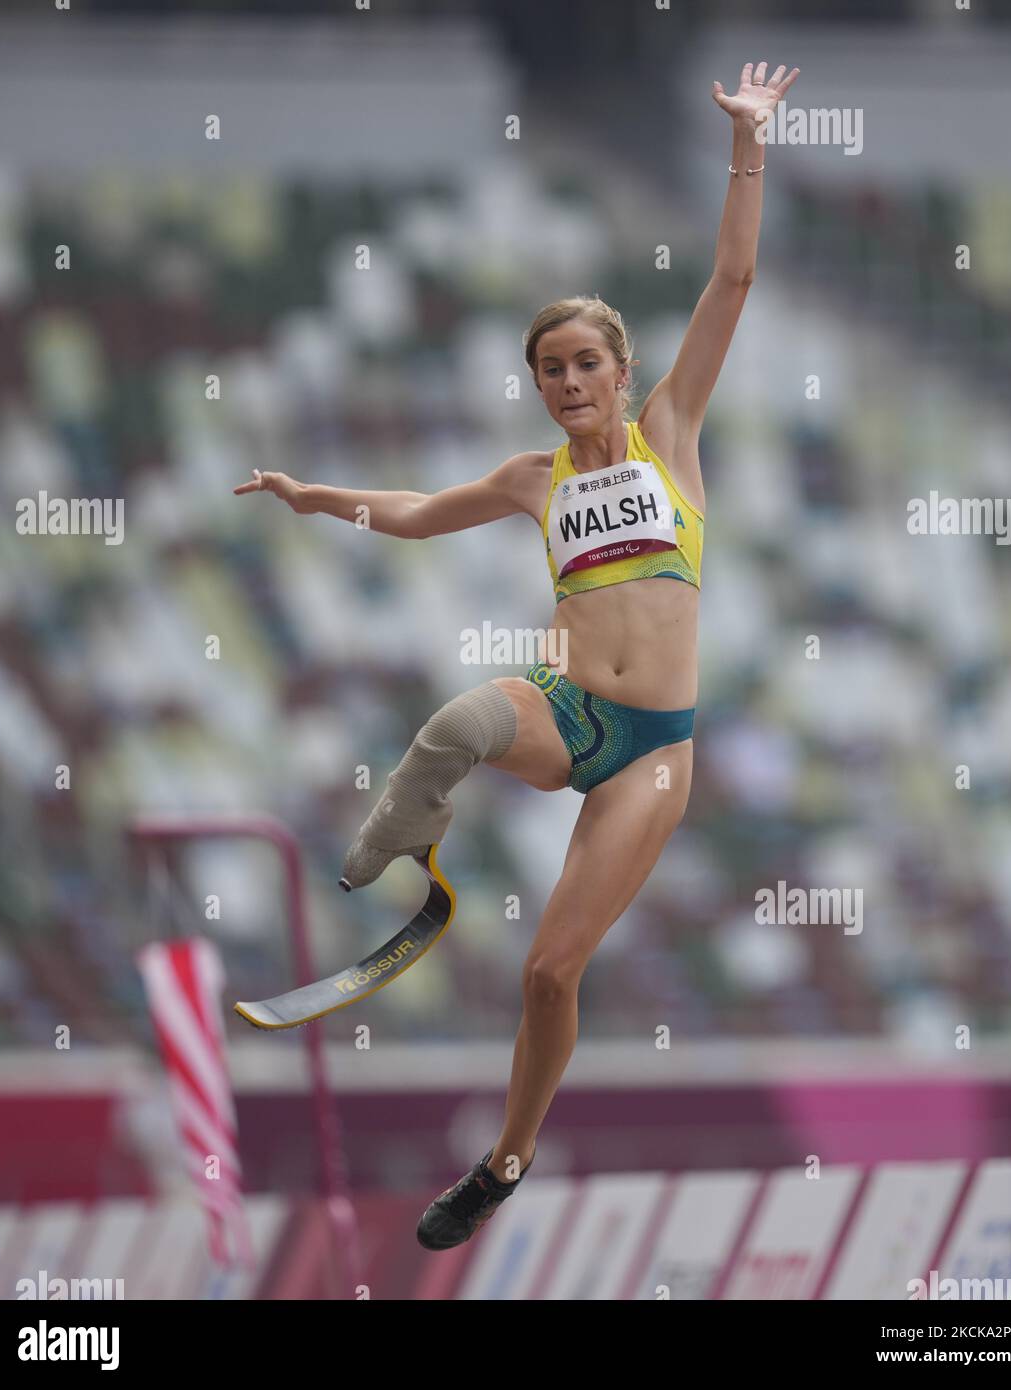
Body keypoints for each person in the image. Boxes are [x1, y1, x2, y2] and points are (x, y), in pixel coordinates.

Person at [235, 58, 799, 1252]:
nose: (568, 384)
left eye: (585, 364)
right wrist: (310, 494)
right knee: (456, 725)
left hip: (651, 750)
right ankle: (394, 846)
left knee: (550, 976)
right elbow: (410, 508)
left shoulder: (672, 438)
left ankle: (504, 1156)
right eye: (549, 371)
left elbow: (734, 277)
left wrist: (748, 142)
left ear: (622, 371)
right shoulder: (527, 481)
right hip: (567, 709)